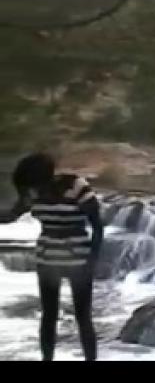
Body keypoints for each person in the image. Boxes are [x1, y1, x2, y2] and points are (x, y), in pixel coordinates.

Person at [0, 153, 103, 361]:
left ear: (44, 178)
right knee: (49, 316)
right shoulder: (33, 193)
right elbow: (10, 216)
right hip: (48, 260)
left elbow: (97, 225)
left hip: (78, 260)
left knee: (83, 317)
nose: (31, 191)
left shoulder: (76, 186)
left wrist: (92, 258)